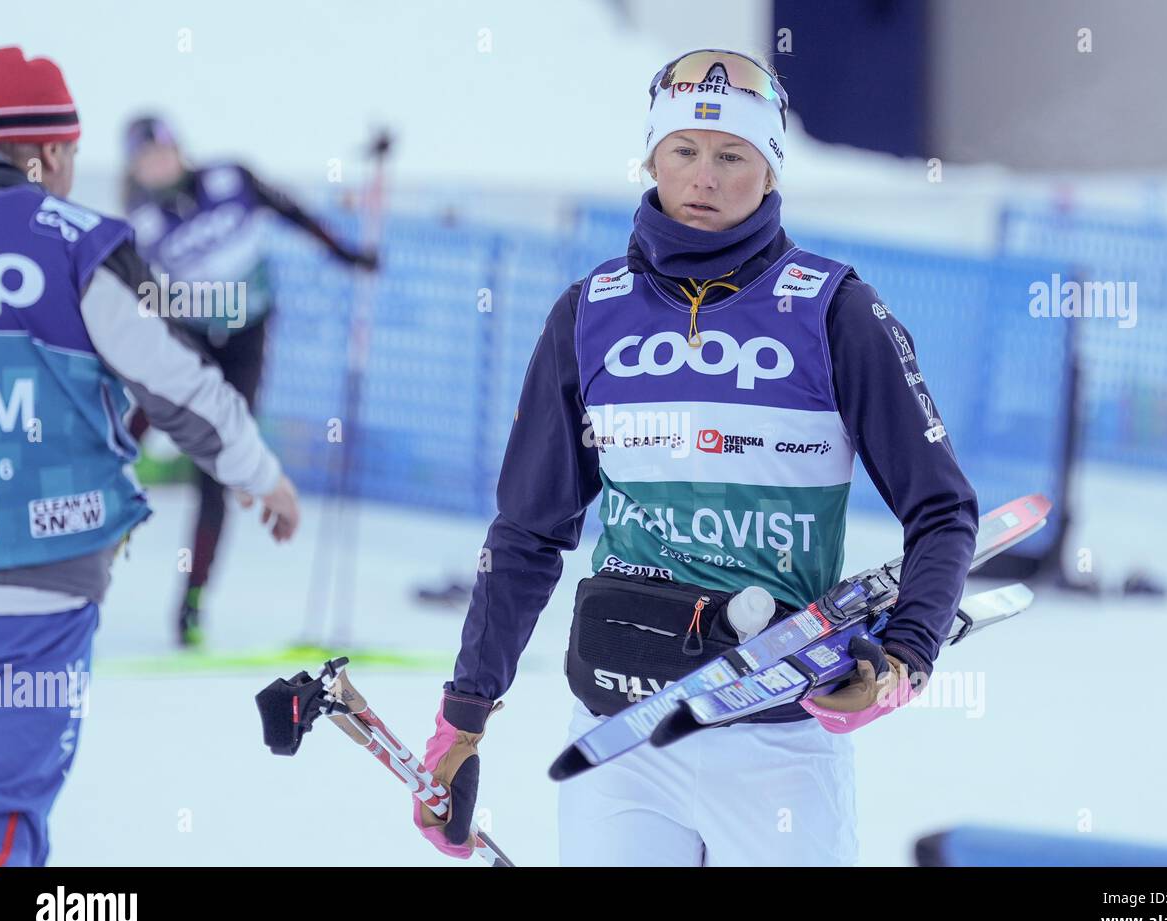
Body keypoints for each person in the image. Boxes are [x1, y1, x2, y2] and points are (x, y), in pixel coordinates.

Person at [416, 49, 979, 866]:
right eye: (683, 150)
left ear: (772, 171)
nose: (704, 177)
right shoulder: (588, 314)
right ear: (651, 158)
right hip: (617, 736)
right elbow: (529, 532)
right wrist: (461, 720)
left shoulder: (835, 309)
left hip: (778, 744)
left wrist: (906, 653)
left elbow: (942, 509)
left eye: (732, 156)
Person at [0, 46, 300, 866]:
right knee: (3, 813)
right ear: (49, 152)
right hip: (36, 581)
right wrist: (258, 472)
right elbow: (176, 385)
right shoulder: (78, 242)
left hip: (42, 575)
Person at [120, 116, 376, 647]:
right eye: (146, 159)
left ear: (179, 150)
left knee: (220, 463)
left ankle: (192, 602)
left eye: (163, 152)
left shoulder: (229, 180)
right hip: (189, 336)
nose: (159, 164)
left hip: (246, 339)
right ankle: (98, 475)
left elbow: (293, 213)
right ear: (136, 170)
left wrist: (346, 255)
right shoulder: (143, 222)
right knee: (141, 415)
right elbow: (133, 298)